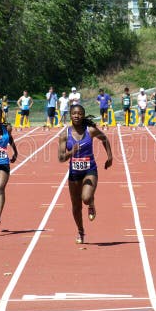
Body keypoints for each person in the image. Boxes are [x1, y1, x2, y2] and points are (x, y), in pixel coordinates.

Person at [58, 104, 113, 244]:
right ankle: (81, 231)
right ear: (70, 115)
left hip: (90, 170)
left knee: (86, 198)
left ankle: (91, 203)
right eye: (74, 113)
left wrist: (110, 157)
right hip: (74, 173)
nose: (77, 116)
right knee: (76, 207)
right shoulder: (64, 135)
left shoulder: (91, 130)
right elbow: (61, 158)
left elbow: (105, 139)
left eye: (79, 113)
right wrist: (71, 152)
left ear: (83, 115)